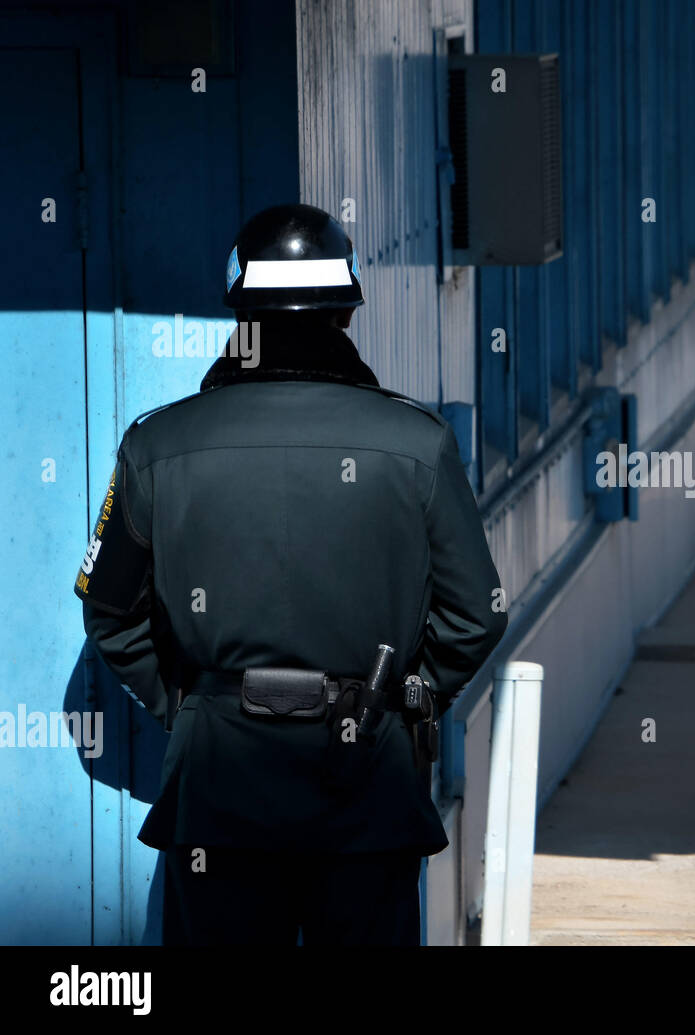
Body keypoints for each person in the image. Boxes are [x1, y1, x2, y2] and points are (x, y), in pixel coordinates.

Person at [75, 203, 507, 945]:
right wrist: (408, 700)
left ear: (239, 306)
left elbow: (109, 610)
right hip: (369, 790)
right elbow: (477, 614)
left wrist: (188, 706)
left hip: (218, 795)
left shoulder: (158, 444)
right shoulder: (418, 442)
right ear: (346, 308)